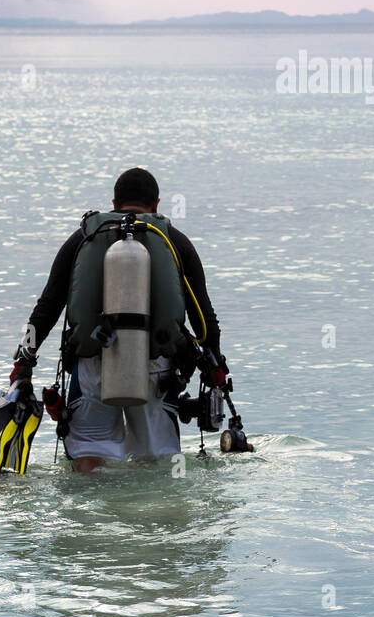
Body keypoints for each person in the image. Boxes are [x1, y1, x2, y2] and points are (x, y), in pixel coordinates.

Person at [11, 167, 223, 473]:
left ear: (114, 201)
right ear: (157, 204)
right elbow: (204, 318)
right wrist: (215, 366)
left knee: (89, 458)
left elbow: (46, 308)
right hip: (156, 370)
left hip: (93, 369)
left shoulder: (84, 238)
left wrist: (24, 361)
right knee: (159, 465)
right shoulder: (174, 241)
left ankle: (89, 509)